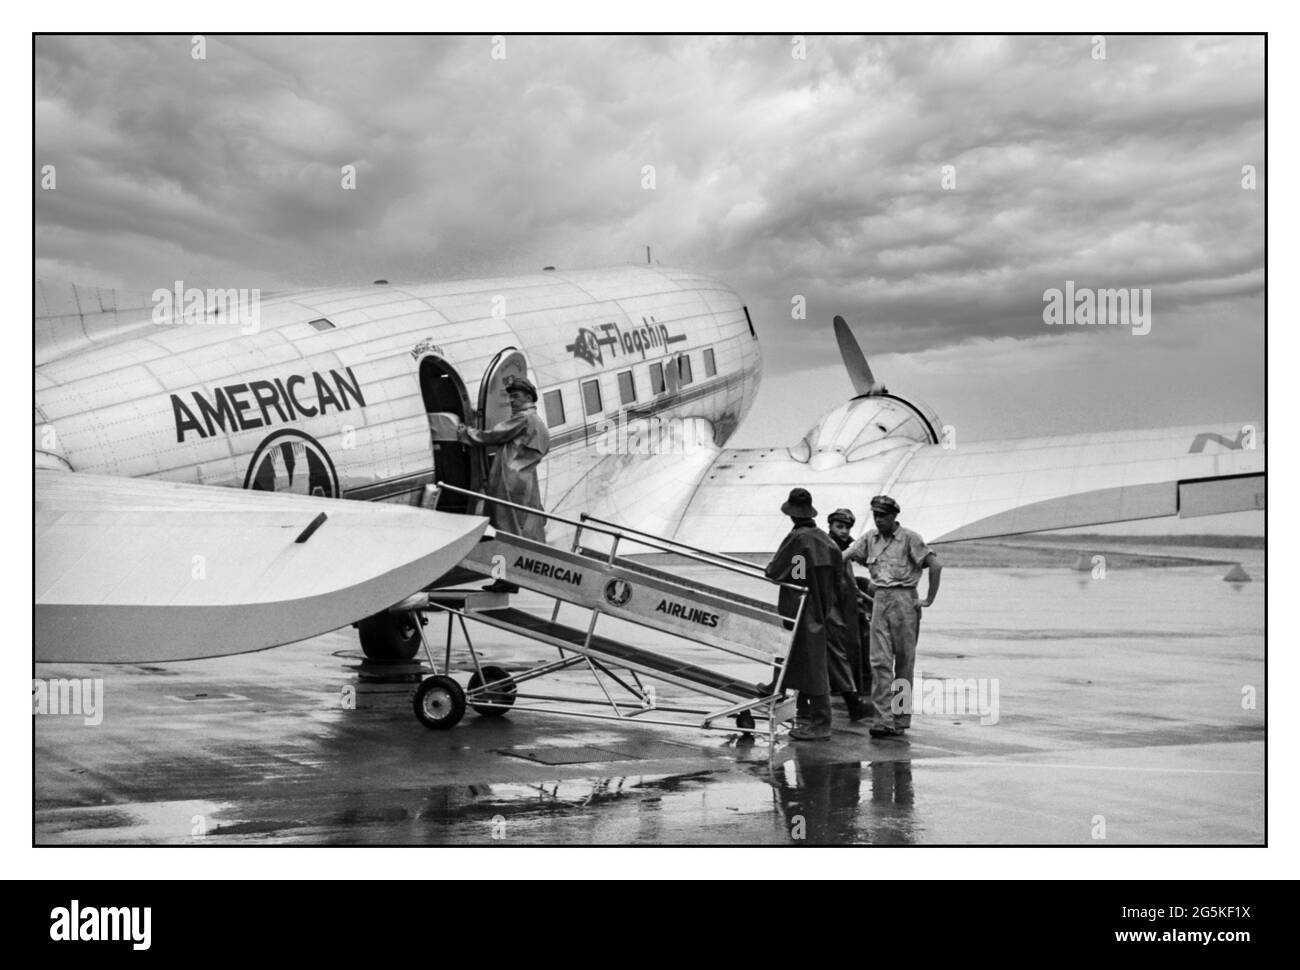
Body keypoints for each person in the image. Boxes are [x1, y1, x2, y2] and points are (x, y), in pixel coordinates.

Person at [844, 495, 941, 739]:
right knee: (879, 662)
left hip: (905, 601)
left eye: (883, 516)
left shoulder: (910, 538)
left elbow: (935, 565)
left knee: (904, 662)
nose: (879, 520)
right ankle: (883, 719)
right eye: (876, 515)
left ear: (894, 516)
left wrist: (928, 599)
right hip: (880, 601)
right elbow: (844, 556)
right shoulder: (870, 539)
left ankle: (900, 717)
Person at [763, 488, 846, 742]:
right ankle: (778, 687)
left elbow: (786, 574)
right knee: (796, 655)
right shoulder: (827, 541)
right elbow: (838, 578)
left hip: (801, 607)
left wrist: (779, 571)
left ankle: (821, 723)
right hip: (822, 608)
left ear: (791, 514)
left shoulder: (798, 540)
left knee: (812, 664)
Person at [457, 376, 551, 592]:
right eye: (510, 397)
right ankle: (509, 578)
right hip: (522, 482)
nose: (512, 401)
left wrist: (465, 433)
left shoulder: (523, 419)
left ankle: (505, 579)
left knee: (503, 531)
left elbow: (494, 435)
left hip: (508, 482)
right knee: (514, 529)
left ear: (528, 397)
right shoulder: (537, 422)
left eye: (516, 396)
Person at [826, 508, 873, 721]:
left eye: (847, 527)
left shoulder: (846, 548)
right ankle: (850, 696)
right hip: (835, 607)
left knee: (850, 649)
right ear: (831, 526)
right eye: (839, 526)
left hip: (848, 605)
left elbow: (851, 583)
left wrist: (868, 599)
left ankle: (851, 691)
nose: (844, 531)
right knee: (840, 652)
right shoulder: (829, 548)